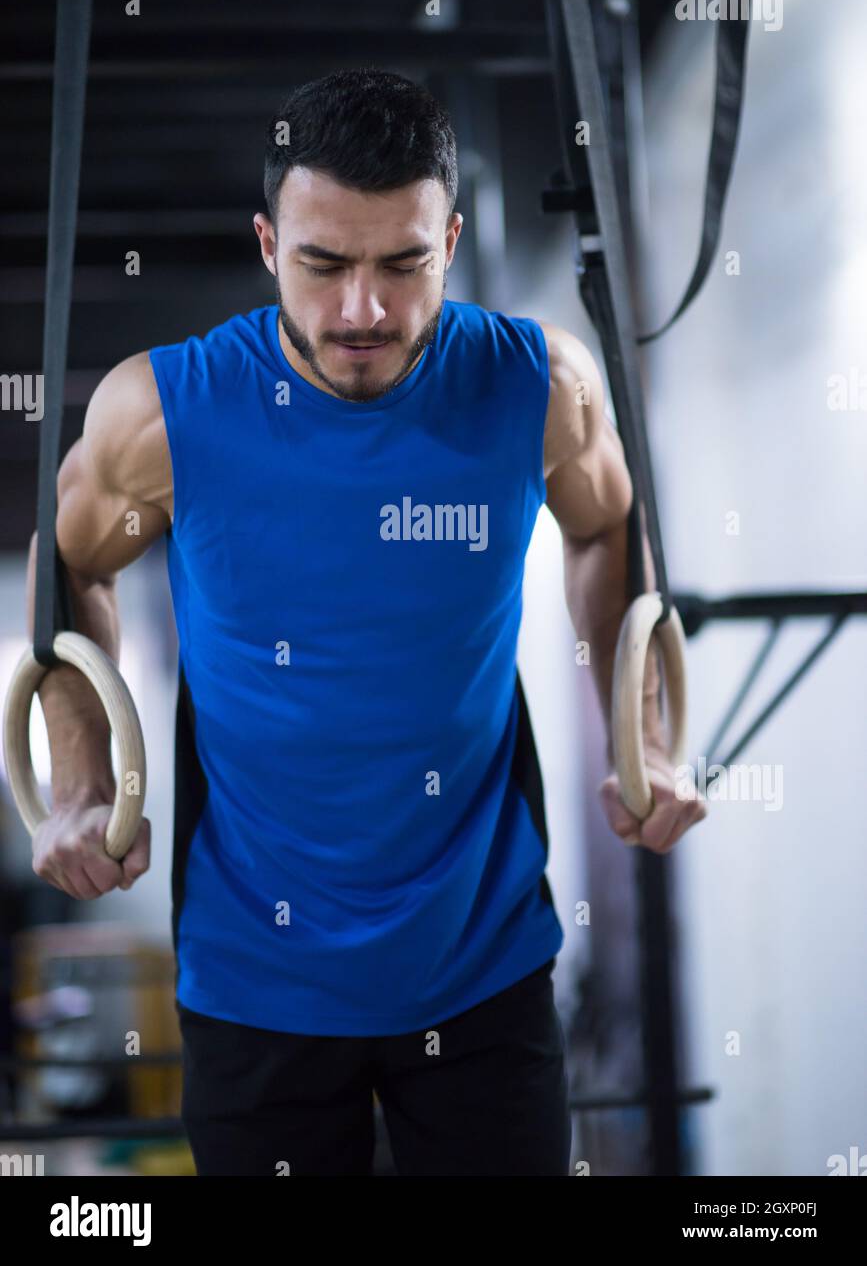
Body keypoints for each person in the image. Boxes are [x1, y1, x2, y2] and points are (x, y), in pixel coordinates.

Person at [25, 68, 706, 1176]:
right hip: (257, 975)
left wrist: (646, 738)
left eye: (404, 264)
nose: (362, 311)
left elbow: (607, 530)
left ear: (453, 235)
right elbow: (68, 570)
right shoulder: (162, 413)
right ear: (265, 243)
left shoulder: (539, 388)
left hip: (482, 960)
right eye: (323, 264)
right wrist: (83, 782)